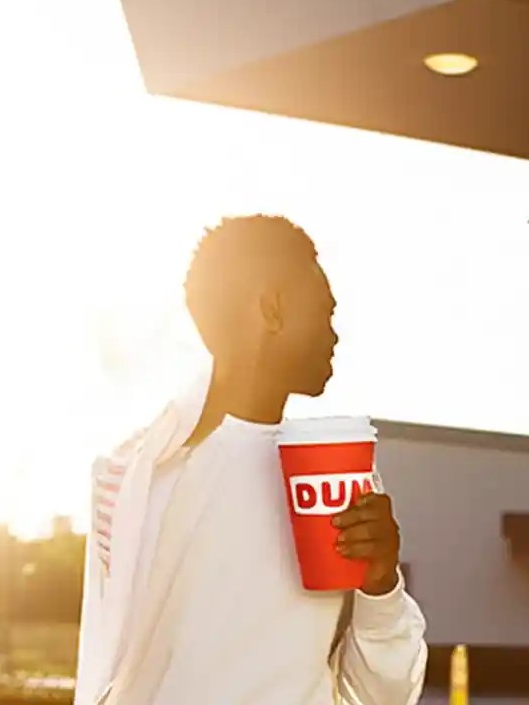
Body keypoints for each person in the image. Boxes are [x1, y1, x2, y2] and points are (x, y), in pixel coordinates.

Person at [73, 215, 428, 705]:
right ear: (273, 308)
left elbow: (379, 697)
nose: (335, 334)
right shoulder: (128, 478)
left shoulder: (338, 476)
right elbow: (104, 672)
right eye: (325, 312)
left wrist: (381, 586)